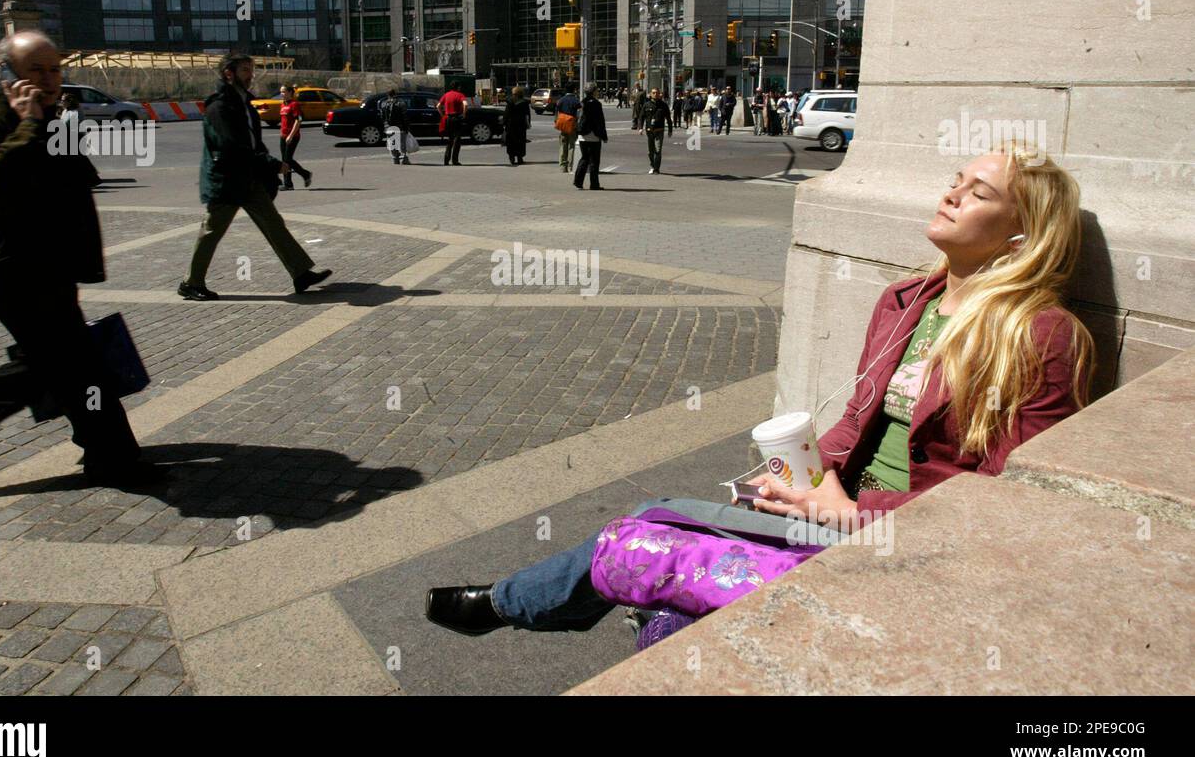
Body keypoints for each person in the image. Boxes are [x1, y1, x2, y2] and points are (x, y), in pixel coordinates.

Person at [426, 144, 1096, 636]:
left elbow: (1012, 502)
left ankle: (503, 604)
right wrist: (798, 477)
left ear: (1021, 236)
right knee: (660, 522)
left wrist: (851, 512)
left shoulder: (1042, 336)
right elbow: (854, 424)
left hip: (899, 543)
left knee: (645, 545)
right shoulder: (907, 299)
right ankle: (507, 603)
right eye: (956, 180)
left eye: (978, 192)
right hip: (822, 514)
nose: (951, 194)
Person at [0, 31, 166, 492]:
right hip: (12, 272)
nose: (50, 80)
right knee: (73, 366)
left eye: (55, 70)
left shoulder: (50, 118)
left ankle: (103, 454)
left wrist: (57, 123)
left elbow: (79, 179)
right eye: (38, 71)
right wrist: (32, 123)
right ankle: (111, 458)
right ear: (8, 76)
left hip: (50, 268)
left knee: (61, 366)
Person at [177, 54, 332, 301]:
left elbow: (253, 143)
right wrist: (270, 163)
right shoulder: (219, 107)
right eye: (245, 70)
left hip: (248, 178)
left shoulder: (244, 104)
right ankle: (191, 282)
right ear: (229, 73)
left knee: (273, 223)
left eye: (251, 69)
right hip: (227, 180)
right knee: (212, 230)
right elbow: (232, 146)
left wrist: (268, 163)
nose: (251, 75)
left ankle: (300, 272)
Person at [572, 82, 608, 191]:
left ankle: (578, 181)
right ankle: (594, 184)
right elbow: (599, 121)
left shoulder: (582, 102)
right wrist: (603, 135)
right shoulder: (596, 104)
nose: (598, 92)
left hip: (582, 135)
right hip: (593, 135)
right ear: (593, 91)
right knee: (594, 161)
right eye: (596, 90)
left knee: (584, 158)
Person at [278, 85, 311, 189]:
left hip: (292, 136)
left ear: (290, 92)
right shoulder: (282, 105)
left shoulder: (294, 105)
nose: (281, 94)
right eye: (281, 92)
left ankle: (305, 174)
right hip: (283, 136)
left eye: (283, 92)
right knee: (284, 160)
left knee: (288, 159)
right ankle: (288, 184)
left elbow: (298, 120)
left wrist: (290, 136)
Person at [641, 88, 671, 174]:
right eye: (653, 93)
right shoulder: (646, 105)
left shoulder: (663, 105)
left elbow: (668, 118)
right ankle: (653, 165)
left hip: (659, 130)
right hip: (649, 131)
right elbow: (641, 117)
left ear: (659, 94)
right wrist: (640, 127)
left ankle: (656, 169)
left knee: (658, 150)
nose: (655, 94)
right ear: (650, 94)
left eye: (657, 93)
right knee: (650, 151)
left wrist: (670, 130)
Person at [380, 88, 411, 165]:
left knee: (392, 143)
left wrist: (385, 126)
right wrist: (406, 127)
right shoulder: (401, 103)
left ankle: (395, 159)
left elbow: (382, 117)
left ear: (388, 95)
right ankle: (404, 159)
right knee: (402, 143)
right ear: (395, 94)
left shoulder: (384, 103)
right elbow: (405, 116)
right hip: (400, 126)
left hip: (389, 127)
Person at [554, 83, 580, 173]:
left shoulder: (560, 100)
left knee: (563, 145)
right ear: (574, 90)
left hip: (563, 125)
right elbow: (579, 114)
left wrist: (556, 122)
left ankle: (562, 167)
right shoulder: (576, 101)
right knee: (572, 146)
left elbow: (556, 114)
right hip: (572, 125)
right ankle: (570, 166)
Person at [438, 84, 466, 166]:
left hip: (448, 119)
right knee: (457, 140)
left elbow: (438, 106)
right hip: (457, 118)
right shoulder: (460, 95)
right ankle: (455, 160)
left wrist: (442, 115)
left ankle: (446, 160)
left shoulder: (446, 95)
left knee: (450, 140)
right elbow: (465, 104)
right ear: (458, 87)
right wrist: (464, 114)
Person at [503, 86, 531, 166]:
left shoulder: (510, 102)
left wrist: (504, 123)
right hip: (521, 125)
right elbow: (527, 115)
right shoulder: (524, 102)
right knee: (520, 142)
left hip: (511, 125)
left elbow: (506, 114)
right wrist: (528, 124)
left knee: (511, 142)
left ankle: (512, 158)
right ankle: (520, 158)